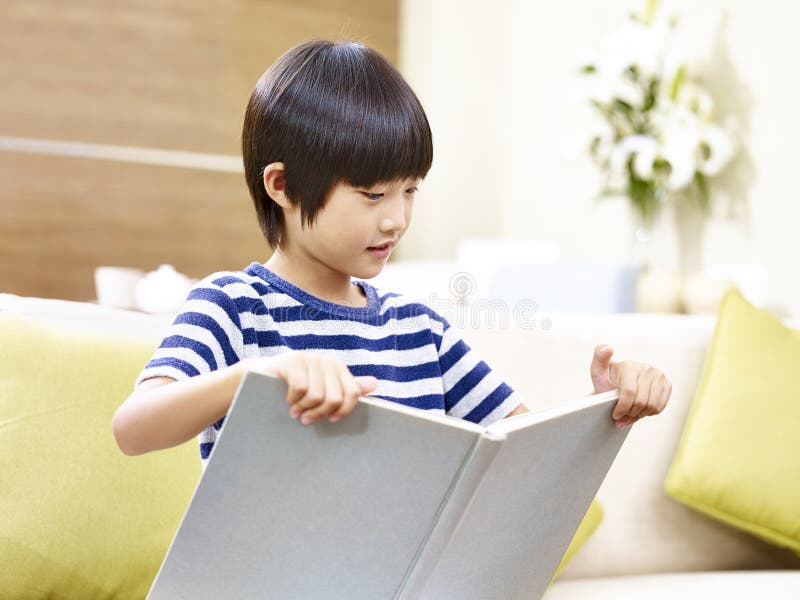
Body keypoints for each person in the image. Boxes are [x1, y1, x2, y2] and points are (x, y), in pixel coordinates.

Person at [112, 40, 671, 466]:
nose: (396, 219)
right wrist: (258, 375)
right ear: (281, 186)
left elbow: (521, 453)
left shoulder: (419, 332)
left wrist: (604, 405)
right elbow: (133, 429)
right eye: (373, 194)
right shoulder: (232, 307)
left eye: (410, 191)